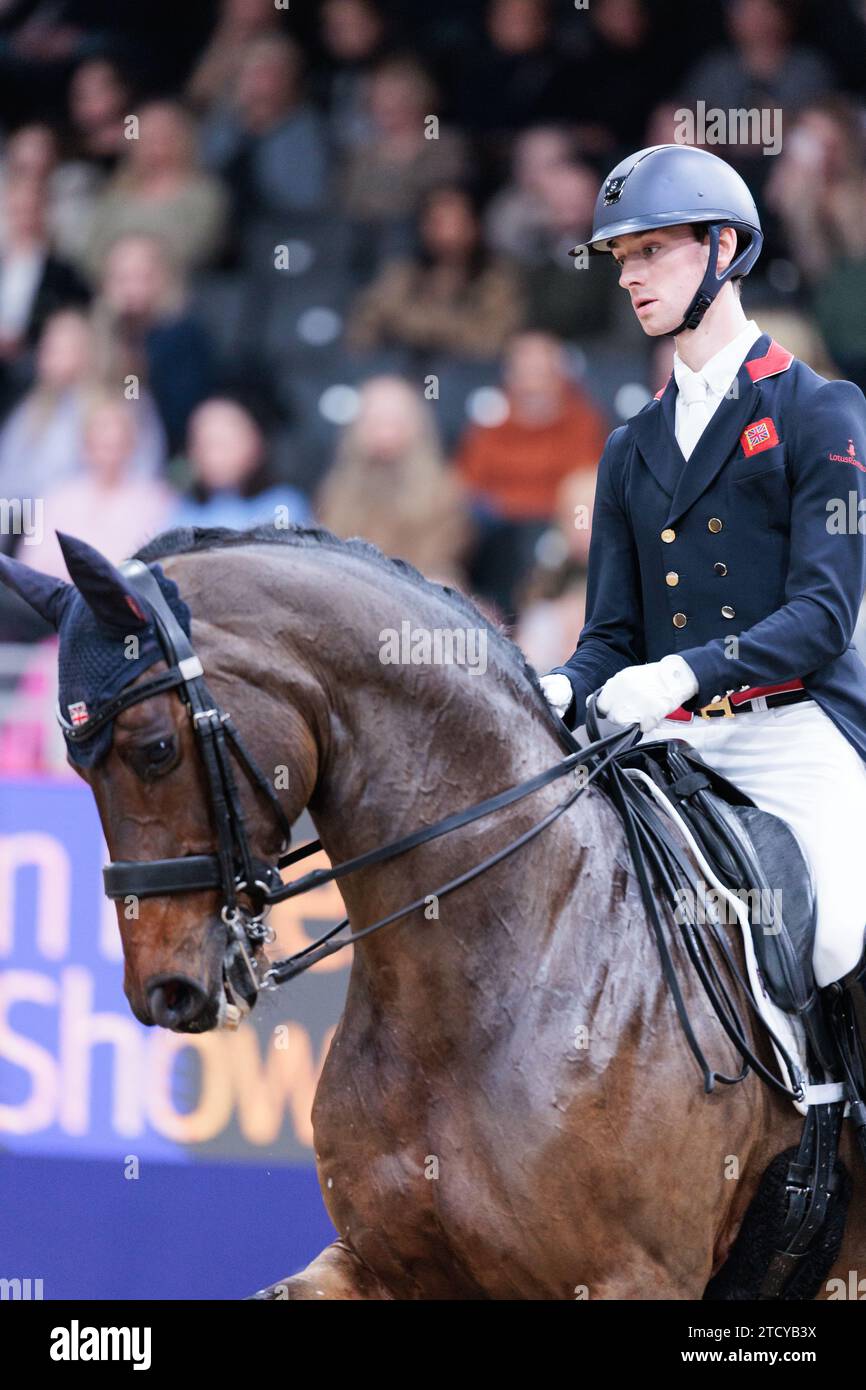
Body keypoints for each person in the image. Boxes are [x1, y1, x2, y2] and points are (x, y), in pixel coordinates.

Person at [538, 143, 866, 1016]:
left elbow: (823, 616)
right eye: (622, 260)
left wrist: (684, 671)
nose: (630, 278)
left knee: (832, 938)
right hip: (670, 744)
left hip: (794, 731)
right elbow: (610, 637)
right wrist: (562, 692)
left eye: (652, 251)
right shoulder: (628, 451)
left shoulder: (818, 410)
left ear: (723, 247)